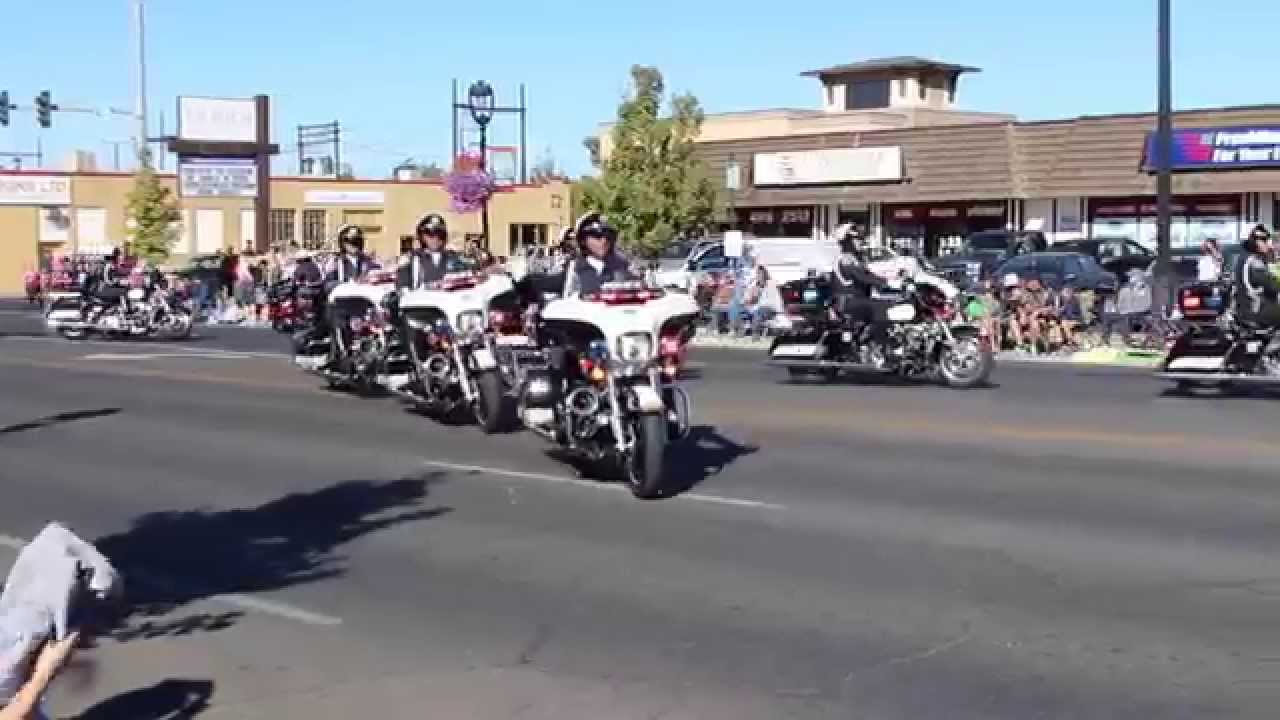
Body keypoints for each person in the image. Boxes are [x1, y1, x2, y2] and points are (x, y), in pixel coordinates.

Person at [830, 223, 892, 343]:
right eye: (857, 239)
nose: (861, 242)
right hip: (849, 301)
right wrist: (887, 282)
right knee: (883, 307)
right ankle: (882, 343)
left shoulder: (855, 258)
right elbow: (862, 277)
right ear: (847, 241)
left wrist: (892, 277)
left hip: (856, 300)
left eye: (861, 239)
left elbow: (870, 275)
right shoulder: (846, 259)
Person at [562, 212, 636, 297]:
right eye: (596, 235)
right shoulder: (574, 269)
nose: (604, 241)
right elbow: (568, 302)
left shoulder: (622, 267)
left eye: (608, 236)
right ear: (582, 240)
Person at [397, 214, 460, 291]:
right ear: (422, 236)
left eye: (440, 234)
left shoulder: (453, 257)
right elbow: (402, 288)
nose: (435, 238)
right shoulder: (410, 258)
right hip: (421, 301)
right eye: (430, 234)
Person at [1234, 224, 1280, 329]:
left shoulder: (1244, 257)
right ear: (1257, 241)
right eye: (1266, 241)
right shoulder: (1254, 261)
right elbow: (1272, 285)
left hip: (1248, 309)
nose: (1269, 246)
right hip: (1257, 311)